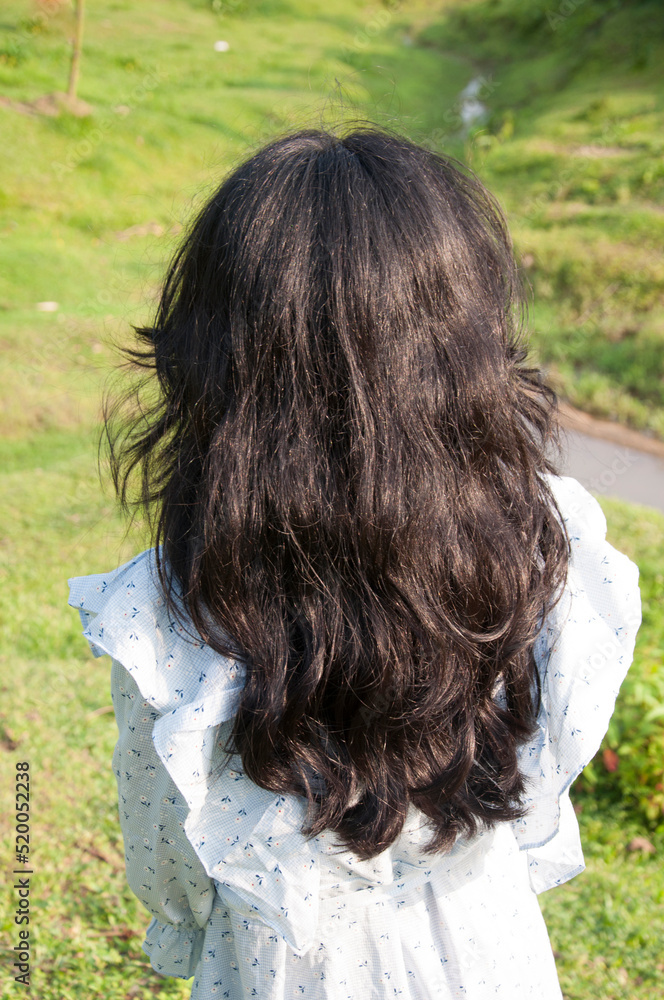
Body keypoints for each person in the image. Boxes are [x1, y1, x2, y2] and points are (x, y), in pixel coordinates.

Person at [68, 127, 641, 999]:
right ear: (465, 353)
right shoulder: (548, 538)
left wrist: (183, 929)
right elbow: (550, 751)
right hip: (489, 951)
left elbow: (170, 852)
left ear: (218, 364)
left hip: (276, 968)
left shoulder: (172, 605)